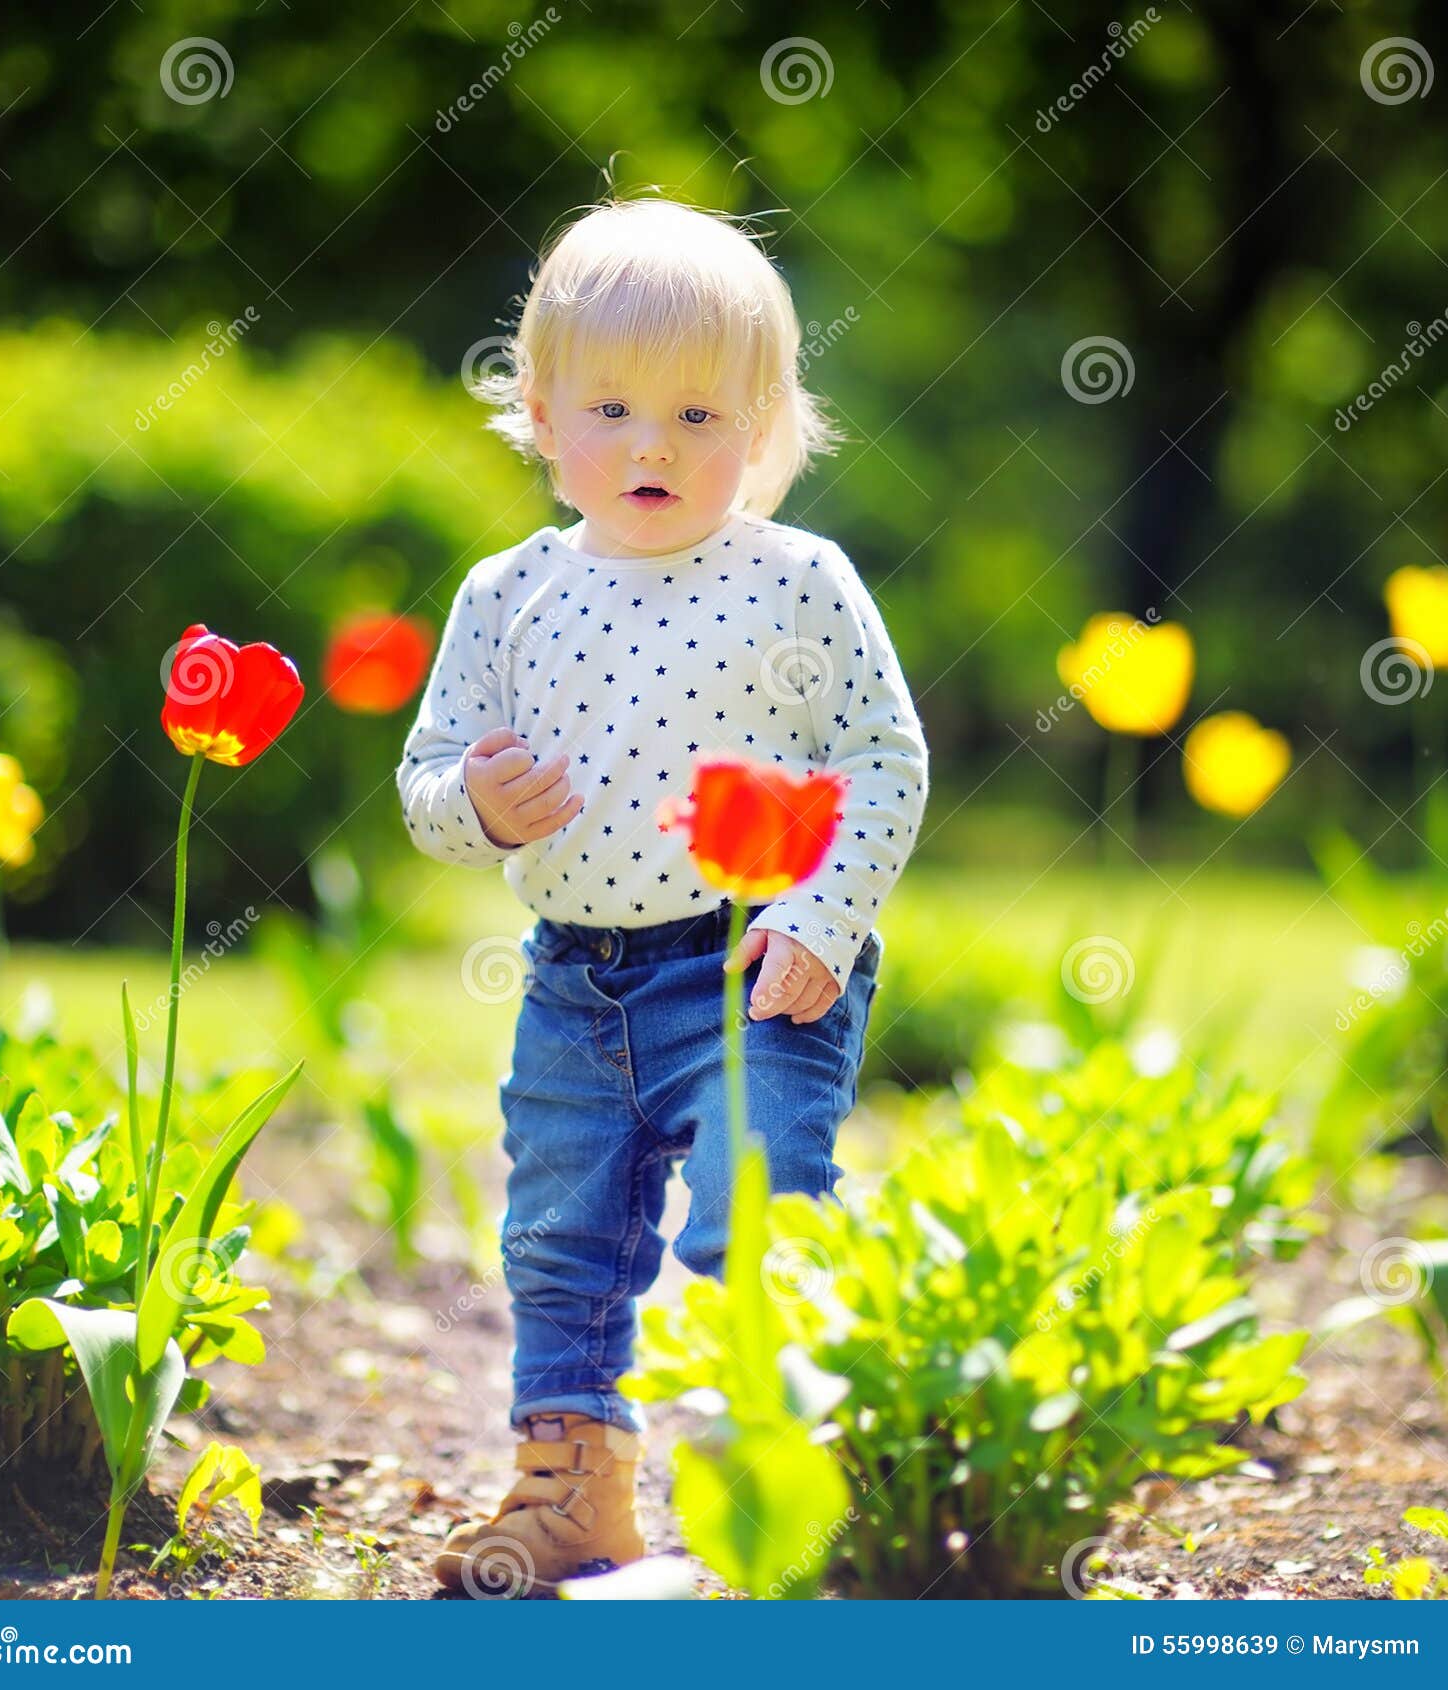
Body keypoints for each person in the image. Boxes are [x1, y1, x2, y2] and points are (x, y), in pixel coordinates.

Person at [394, 195, 930, 1597]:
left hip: (755, 962)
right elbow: (431, 775)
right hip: (576, 976)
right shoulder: (506, 593)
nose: (651, 445)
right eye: (614, 406)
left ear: (764, 426)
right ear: (541, 412)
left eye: (700, 417)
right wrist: (477, 807)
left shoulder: (798, 581)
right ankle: (573, 1486)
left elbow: (885, 758)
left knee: (753, 1219)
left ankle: (783, 1490)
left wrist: (825, 915)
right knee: (560, 1233)